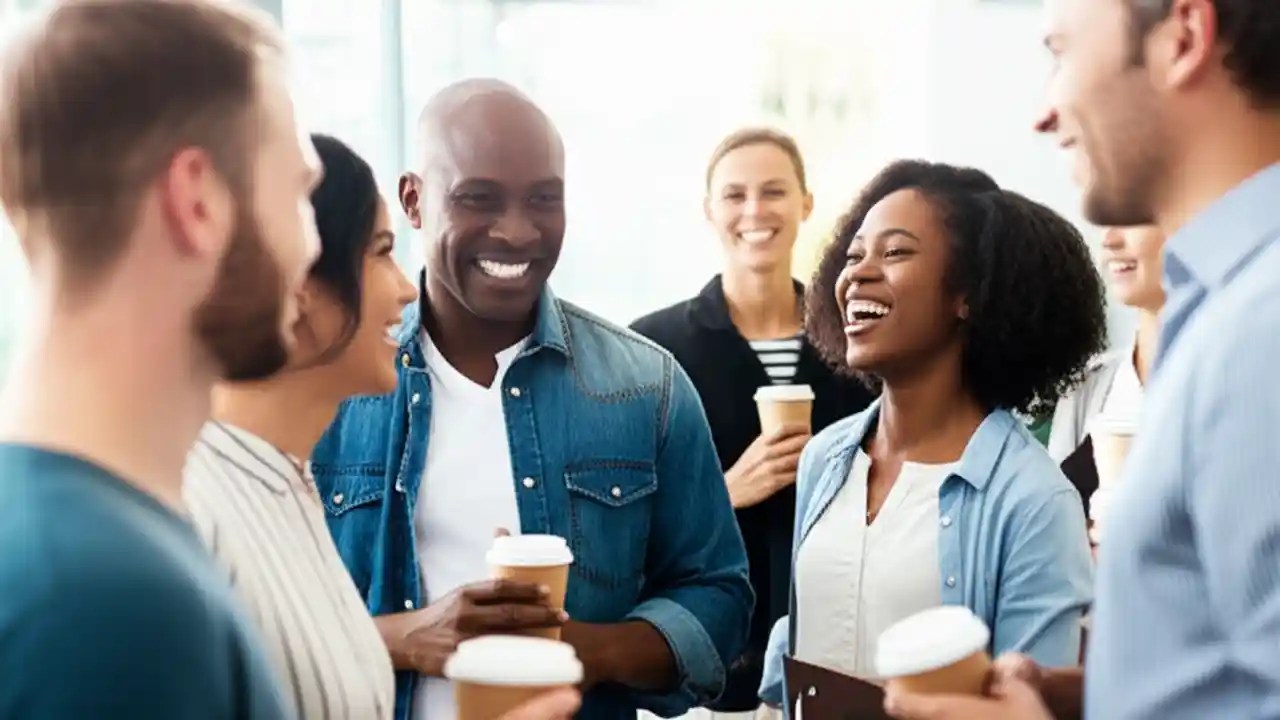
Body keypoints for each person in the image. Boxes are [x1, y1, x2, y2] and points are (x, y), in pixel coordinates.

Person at [310, 78, 753, 720]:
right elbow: (255, 624)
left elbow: (719, 597)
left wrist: (587, 651)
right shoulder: (333, 391)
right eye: (478, 199)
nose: (517, 232)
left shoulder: (646, 387)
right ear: (414, 200)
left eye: (544, 199)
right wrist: (404, 641)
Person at [885, 0, 1280, 718]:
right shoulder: (1219, 307)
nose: (1045, 112)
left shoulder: (1260, 330)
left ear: (1182, 38)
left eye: (1062, 53)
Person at [0, 0, 321, 717]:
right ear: (198, 201)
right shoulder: (104, 604)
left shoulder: (69, 542)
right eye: (301, 193)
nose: (313, 243)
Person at [760, 160, 1104, 708]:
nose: (858, 274)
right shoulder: (824, 458)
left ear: (968, 293)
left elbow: (1030, 705)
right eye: (853, 256)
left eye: (894, 252)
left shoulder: (1035, 500)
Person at [631, 127, 875, 717]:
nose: (755, 210)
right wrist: (725, 491)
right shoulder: (653, 352)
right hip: (711, 672)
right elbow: (625, 521)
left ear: (806, 204)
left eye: (773, 191)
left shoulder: (858, 343)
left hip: (841, 655)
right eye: (735, 195)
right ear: (709, 210)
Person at [182, 134, 416, 719]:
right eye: (382, 251)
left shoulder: (287, 481)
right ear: (300, 282)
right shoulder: (194, 512)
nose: (407, 288)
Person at [1048, 225, 1165, 541]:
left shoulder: (1238, 384)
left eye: (1135, 218)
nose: (1111, 240)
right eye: (1109, 221)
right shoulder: (1090, 384)